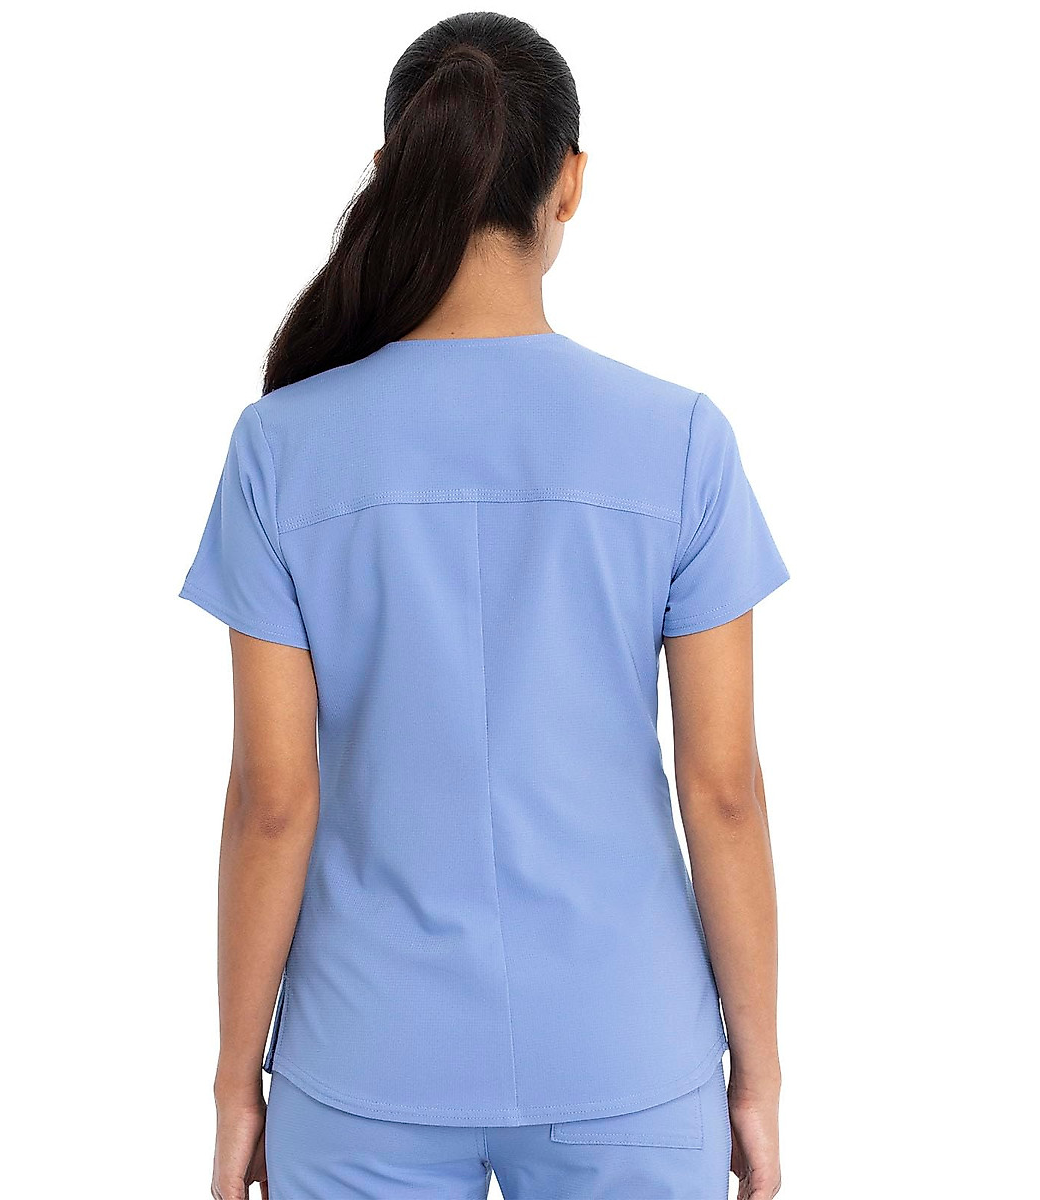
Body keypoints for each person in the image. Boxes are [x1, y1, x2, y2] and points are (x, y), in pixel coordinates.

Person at [180, 12, 788, 1200]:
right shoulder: (680, 441)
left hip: (362, 1058)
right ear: (571, 183)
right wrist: (758, 1077)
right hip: (625, 1050)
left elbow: (272, 801)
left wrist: (234, 1081)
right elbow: (722, 790)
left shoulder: (280, 447)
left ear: (390, 171)